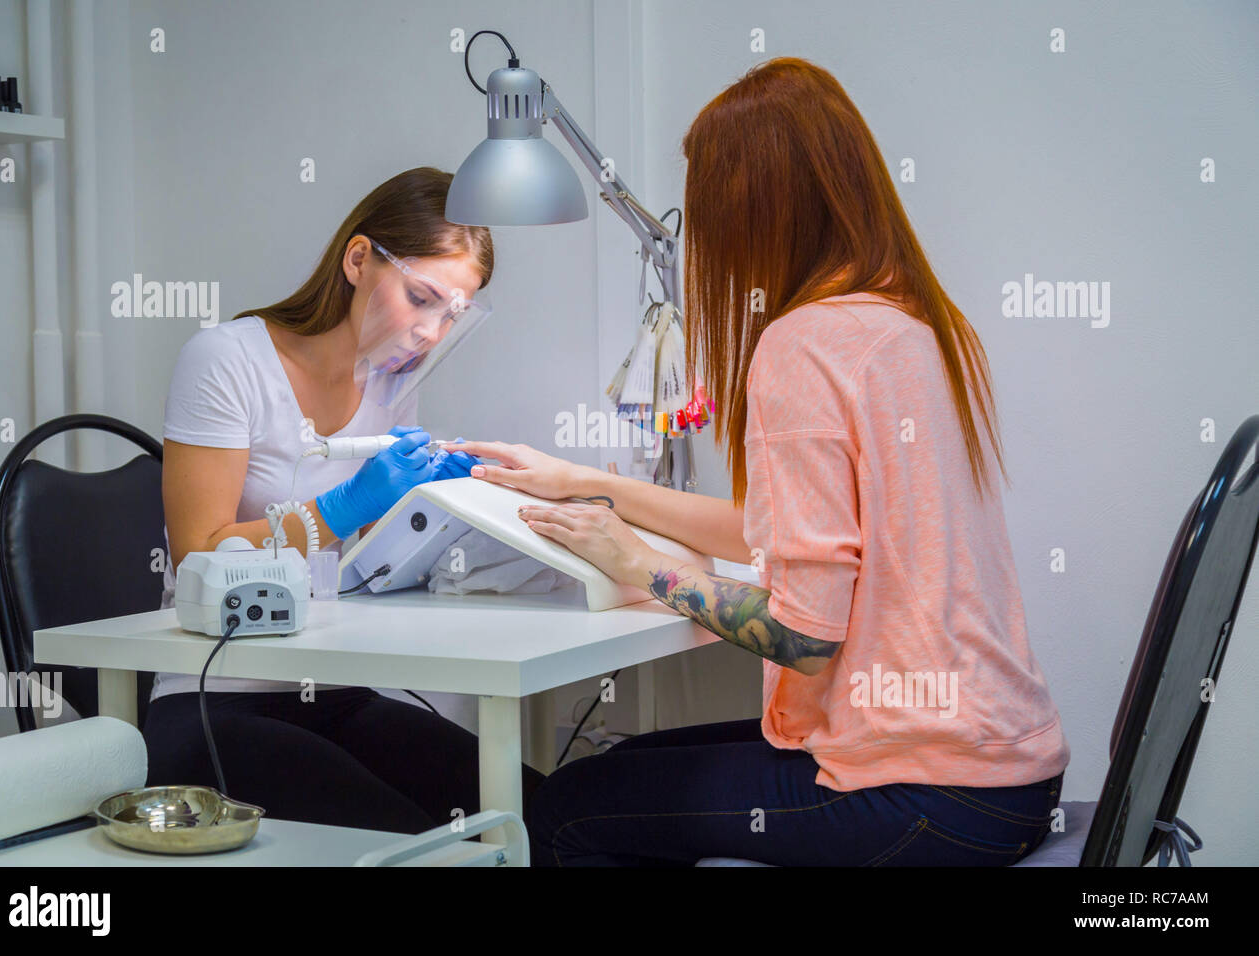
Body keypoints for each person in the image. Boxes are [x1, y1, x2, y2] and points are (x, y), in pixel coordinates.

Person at [447, 58, 1069, 866]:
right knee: (619, 767)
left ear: (752, 211)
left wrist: (633, 563)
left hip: (926, 794)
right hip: (1006, 775)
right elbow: (788, 537)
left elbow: (804, 637)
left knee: (567, 810)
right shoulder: (918, 325)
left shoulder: (803, 345)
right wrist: (592, 484)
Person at [146, 167, 543, 833]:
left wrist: (440, 514)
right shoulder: (225, 360)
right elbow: (197, 552)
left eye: (452, 314)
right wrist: (342, 509)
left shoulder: (390, 383)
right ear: (359, 260)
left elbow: (366, 568)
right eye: (421, 299)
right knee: (419, 843)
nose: (430, 333)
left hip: (332, 687)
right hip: (213, 701)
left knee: (530, 811)